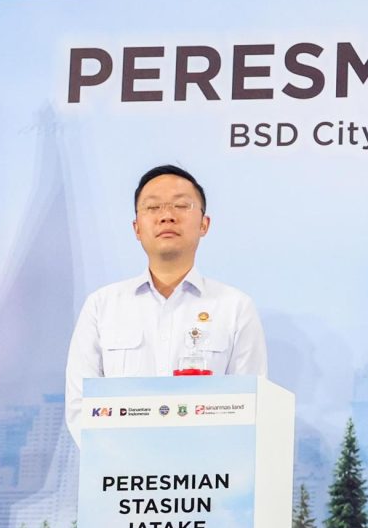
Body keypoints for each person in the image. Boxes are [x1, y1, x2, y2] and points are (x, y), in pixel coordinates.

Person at [64, 165, 268, 433]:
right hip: (120, 471)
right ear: (137, 228)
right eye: (152, 208)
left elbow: (250, 406)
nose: (167, 216)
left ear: (204, 224)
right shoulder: (102, 306)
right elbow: (80, 406)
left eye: (181, 206)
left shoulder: (235, 307)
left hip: (207, 471)